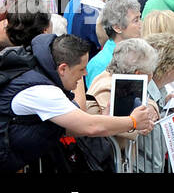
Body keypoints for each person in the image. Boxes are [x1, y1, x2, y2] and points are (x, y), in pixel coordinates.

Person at [0, 33, 157, 171]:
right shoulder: (42, 91)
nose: (85, 74)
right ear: (63, 69)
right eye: (81, 69)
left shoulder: (42, 77)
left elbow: (69, 128)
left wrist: (110, 121)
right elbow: (89, 125)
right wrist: (133, 122)